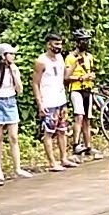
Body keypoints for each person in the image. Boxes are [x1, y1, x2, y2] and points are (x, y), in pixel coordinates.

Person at [0, 42, 31, 183]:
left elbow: (20, 90)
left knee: (14, 137)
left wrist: (13, 72)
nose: (13, 56)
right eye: (10, 54)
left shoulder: (14, 69)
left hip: (11, 101)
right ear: (3, 55)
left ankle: (17, 168)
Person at [33, 32, 75, 172]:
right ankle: (52, 162)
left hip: (61, 100)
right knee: (49, 132)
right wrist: (40, 103)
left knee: (62, 130)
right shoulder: (41, 61)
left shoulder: (60, 59)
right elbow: (35, 83)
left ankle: (64, 158)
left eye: (60, 44)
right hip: (48, 101)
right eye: (56, 44)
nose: (59, 47)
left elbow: (64, 77)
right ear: (48, 44)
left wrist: (74, 65)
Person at [65, 29, 99, 161]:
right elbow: (66, 78)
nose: (85, 43)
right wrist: (81, 78)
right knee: (79, 116)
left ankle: (88, 146)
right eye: (83, 41)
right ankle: (76, 144)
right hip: (76, 89)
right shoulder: (70, 58)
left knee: (87, 118)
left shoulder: (89, 57)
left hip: (87, 89)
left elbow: (92, 72)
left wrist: (91, 77)